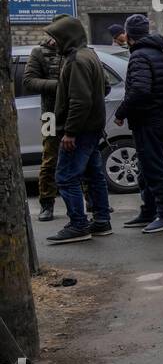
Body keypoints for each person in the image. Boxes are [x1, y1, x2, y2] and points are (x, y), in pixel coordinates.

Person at [44, 16, 114, 244]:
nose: (52, 43)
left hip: (80, 131)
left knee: (65, 177)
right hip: (92, 129)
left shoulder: (76, 60)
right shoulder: (89, 54)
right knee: (94, 175)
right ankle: (102, 221)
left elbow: (80, 101)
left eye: (55, 38)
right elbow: (105, 87)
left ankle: (78, 225)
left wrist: (70, 132)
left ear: (66, 37)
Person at [112, 14, 163, 234]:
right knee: (146, 168)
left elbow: (139, 90)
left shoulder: (139, 56)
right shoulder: (158, 52)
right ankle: (148, 211)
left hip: (148, 120)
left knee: (154, 167)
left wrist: (121, 112)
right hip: (159, 117)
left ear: (128, 35)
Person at [24, 18, 67, 222]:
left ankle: (92, 201)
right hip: (50, 115)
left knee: (85, 159)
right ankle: (47, 204)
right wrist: (59, 85)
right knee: (50, 159)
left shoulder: (75, 50)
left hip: (75, 113)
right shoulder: (39, 53)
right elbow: (29, 81)